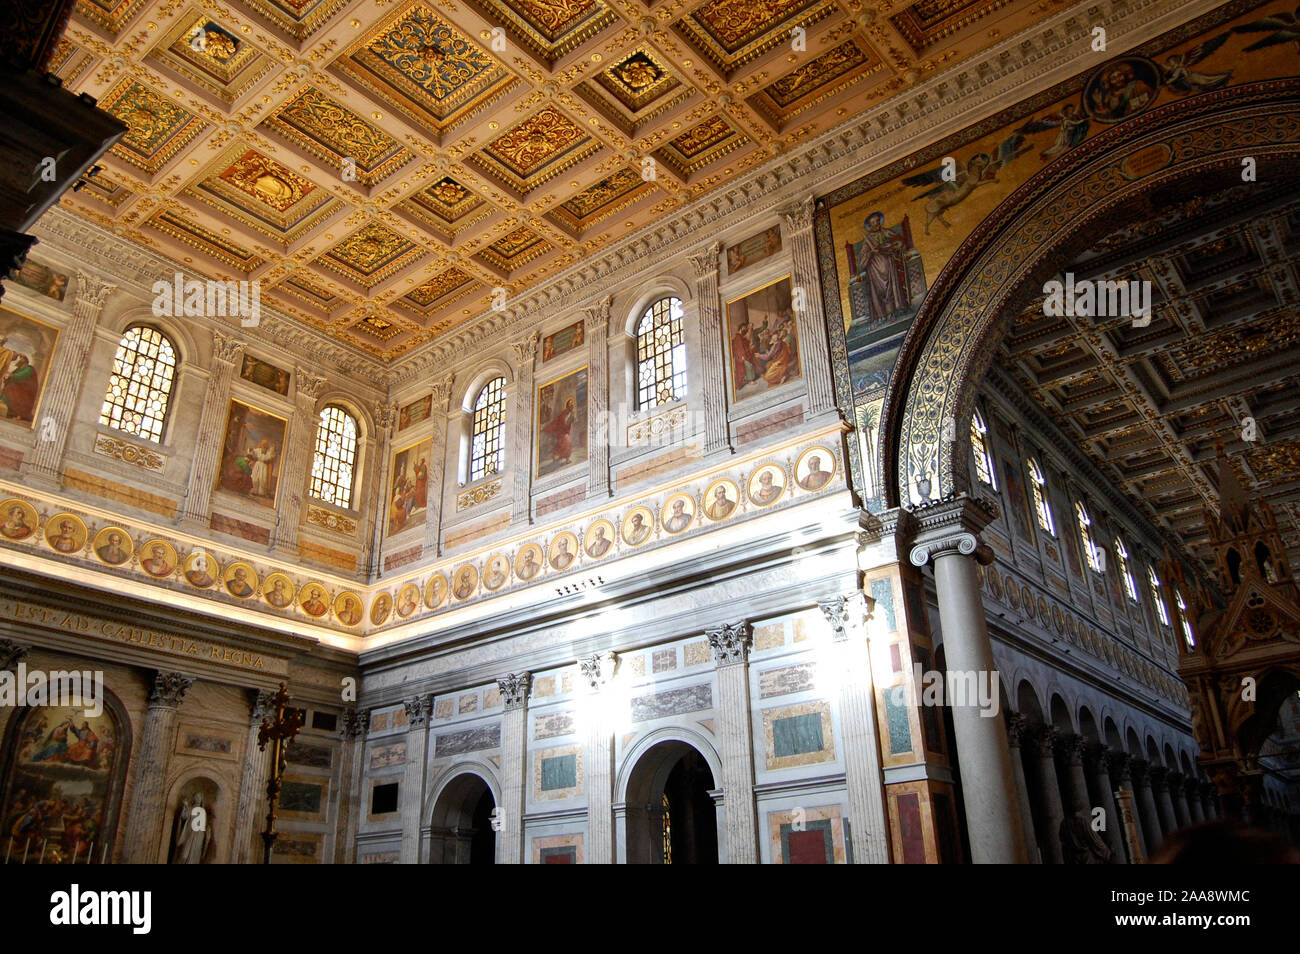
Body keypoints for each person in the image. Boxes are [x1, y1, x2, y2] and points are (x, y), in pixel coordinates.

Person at [0, 353, 39, 423]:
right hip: (19, 389)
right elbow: (11, 376)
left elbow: (20, 377)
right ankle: (11, 411)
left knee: (9, 389)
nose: (19, 360)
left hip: (25, 393)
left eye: (21, 359)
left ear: (24, 361)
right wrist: (8, 377)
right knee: (7, 388)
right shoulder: (19, 368)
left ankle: (16, 412)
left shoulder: (29, 369)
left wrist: (10, 376)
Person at [543, 397, 577, 468]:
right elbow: (559, 421)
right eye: (570, 404)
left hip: (565, 431)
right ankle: (567, 459)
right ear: (567, 406)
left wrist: (572, 420)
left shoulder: (571, 413)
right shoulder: (563, 413)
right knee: (567, 444)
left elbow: (571, 422)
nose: (572, 406)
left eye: (572, 404)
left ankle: (554, 455)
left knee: (560, 445)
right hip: (561, 432)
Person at [731, 320, 760, 389]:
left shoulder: (741, 336)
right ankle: (750, 381)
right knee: (748, 367)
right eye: (744, 328)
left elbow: (746, 343)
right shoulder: (738, 337)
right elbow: (739, 348)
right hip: (742, 356)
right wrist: (742, 356)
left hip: (746, 354)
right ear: (741, 328)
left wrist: (750, 346)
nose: (745, 329)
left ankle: (750, 379)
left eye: (745, 328)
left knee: (750, 366)